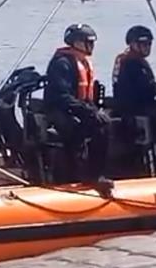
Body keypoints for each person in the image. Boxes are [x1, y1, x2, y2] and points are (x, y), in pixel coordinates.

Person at [44, 24, 112, 192]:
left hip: (75, 108)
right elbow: (61, 97)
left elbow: (84, 98)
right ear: (75, 43)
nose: (91, 46)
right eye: (88, 42)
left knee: (105, 122)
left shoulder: (81, 61)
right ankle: (92, 176)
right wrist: (89, 112)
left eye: (92, 43)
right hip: (59, 111)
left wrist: (96, 110)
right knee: (96, 127)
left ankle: (91, 172)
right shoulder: (62, 63)